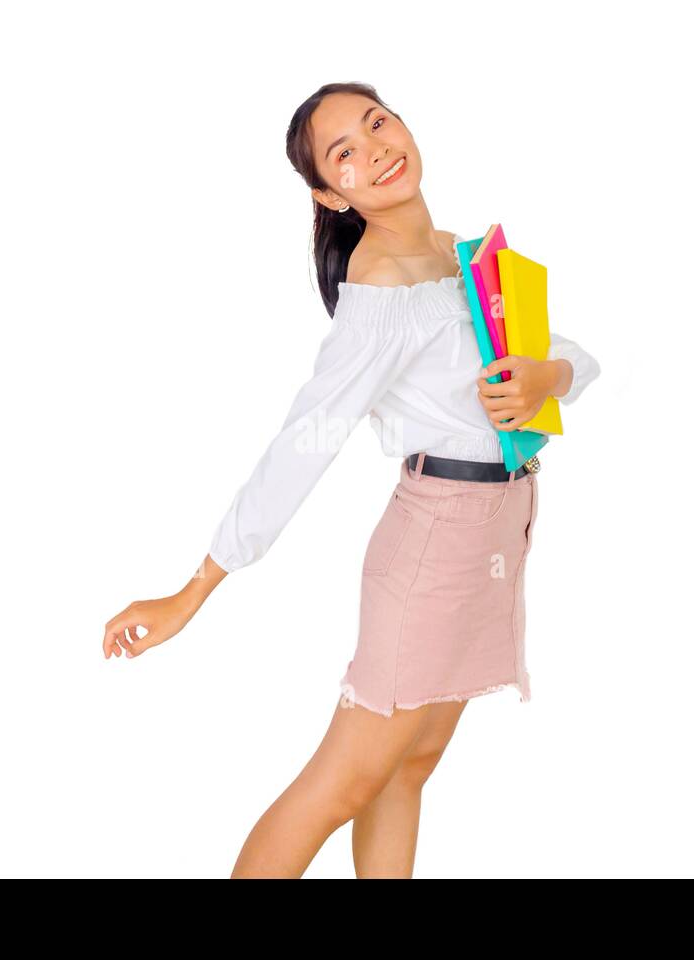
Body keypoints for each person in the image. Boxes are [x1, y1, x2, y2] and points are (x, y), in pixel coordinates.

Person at [102, 82, 599, 877]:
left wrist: (549, 374)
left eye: (377, 123)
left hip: (494, 538)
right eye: (345, 153)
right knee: (341, 784)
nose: (374, 150)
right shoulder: (380, 293)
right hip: (435, 546)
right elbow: (302, 445)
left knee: (409, 767)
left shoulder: (465, 256)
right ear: (332, 194)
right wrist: (195, 589)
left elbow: (569, 355)